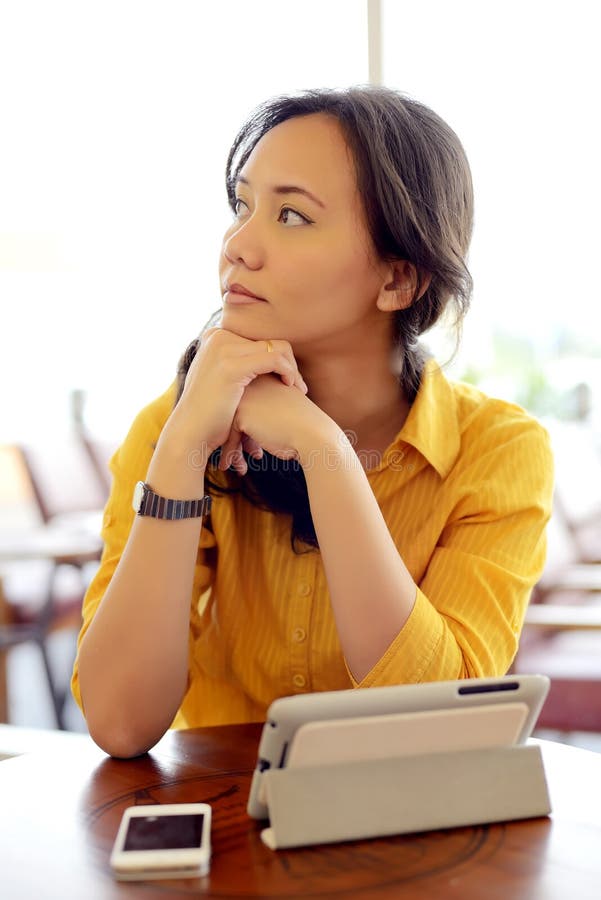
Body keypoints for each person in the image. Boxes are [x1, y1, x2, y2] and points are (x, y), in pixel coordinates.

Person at [71, 86, 553, 758]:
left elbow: (436, 723)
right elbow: (120, 723)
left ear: (397, 280)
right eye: (243, 206)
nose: (238, 245)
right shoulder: (174, 426)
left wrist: (321, 446)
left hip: (410, 836)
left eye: (291, 215)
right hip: (227, 825)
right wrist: (182, 446)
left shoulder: (497, 449)